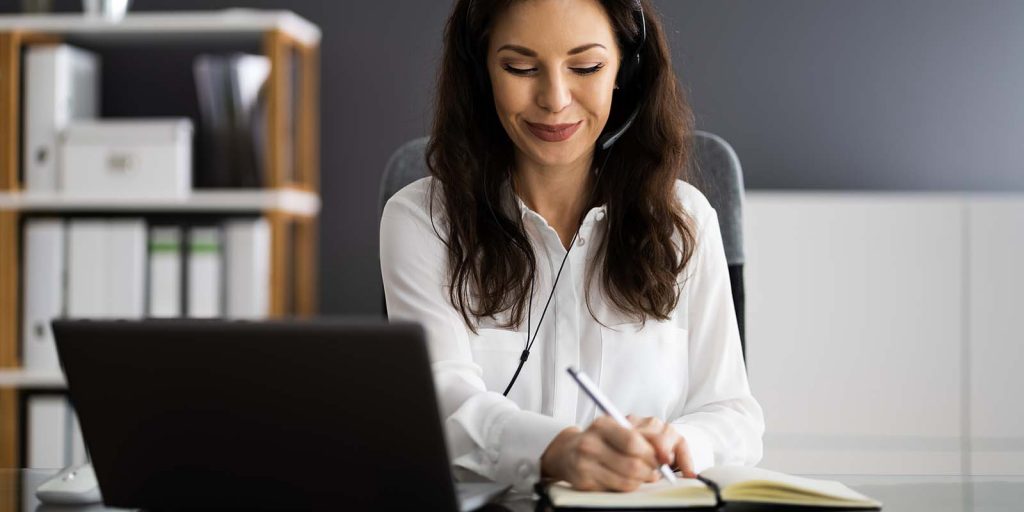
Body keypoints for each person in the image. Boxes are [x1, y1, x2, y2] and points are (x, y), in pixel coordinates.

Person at [380, 0, 764, 493]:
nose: (555, 98)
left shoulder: (684, 221)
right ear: (481, 73)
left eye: (586, 67)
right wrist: (557, 450)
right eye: (520, 67)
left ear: (627, 68)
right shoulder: (423, 219)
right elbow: (441, 402)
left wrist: (677, 442)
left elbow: (733, 414)